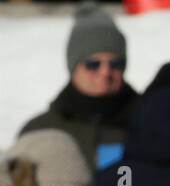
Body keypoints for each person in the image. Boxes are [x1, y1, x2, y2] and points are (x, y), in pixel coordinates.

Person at [19, 3, 139, 170]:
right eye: (93, 64)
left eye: (115, 63)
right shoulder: (41, 131)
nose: (105, 72)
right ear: (74, 67)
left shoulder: (149, 125)